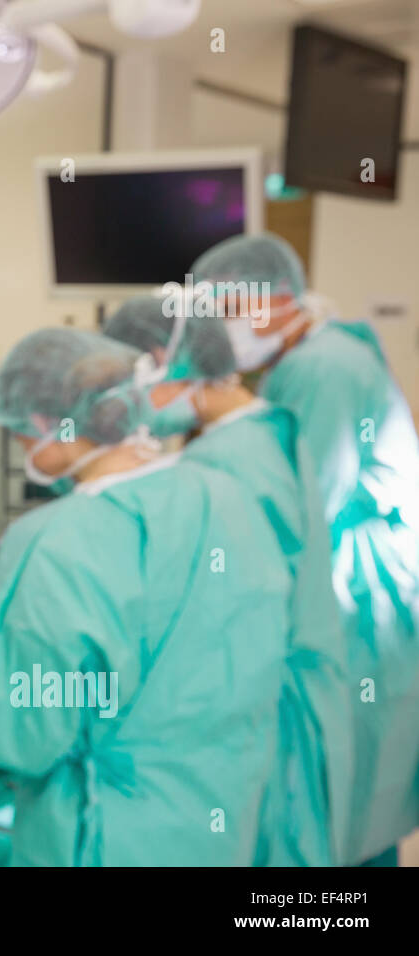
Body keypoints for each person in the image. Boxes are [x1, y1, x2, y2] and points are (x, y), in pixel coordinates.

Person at [0, 328, 291, 865]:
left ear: (51, 425)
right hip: (221, 815)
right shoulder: (229, 495)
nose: (25, 445)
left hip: (109, 834)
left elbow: (24, 739)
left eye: (25, 434)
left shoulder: (55, 542)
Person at [192, 233, 419, 865]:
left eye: (228, 312)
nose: (221, 332)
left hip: (360, 606)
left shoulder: (318, 368)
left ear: (275, 300)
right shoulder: (326, 352)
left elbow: (300, 504)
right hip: (368, 596)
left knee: (343, 797)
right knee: (360, 797)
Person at [104, 293, 352, 865]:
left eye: (129, 386)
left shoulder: (223, 468)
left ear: (160, 361)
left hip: (257, 725)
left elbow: (209, 630)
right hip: (288, 706)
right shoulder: (265, 431)